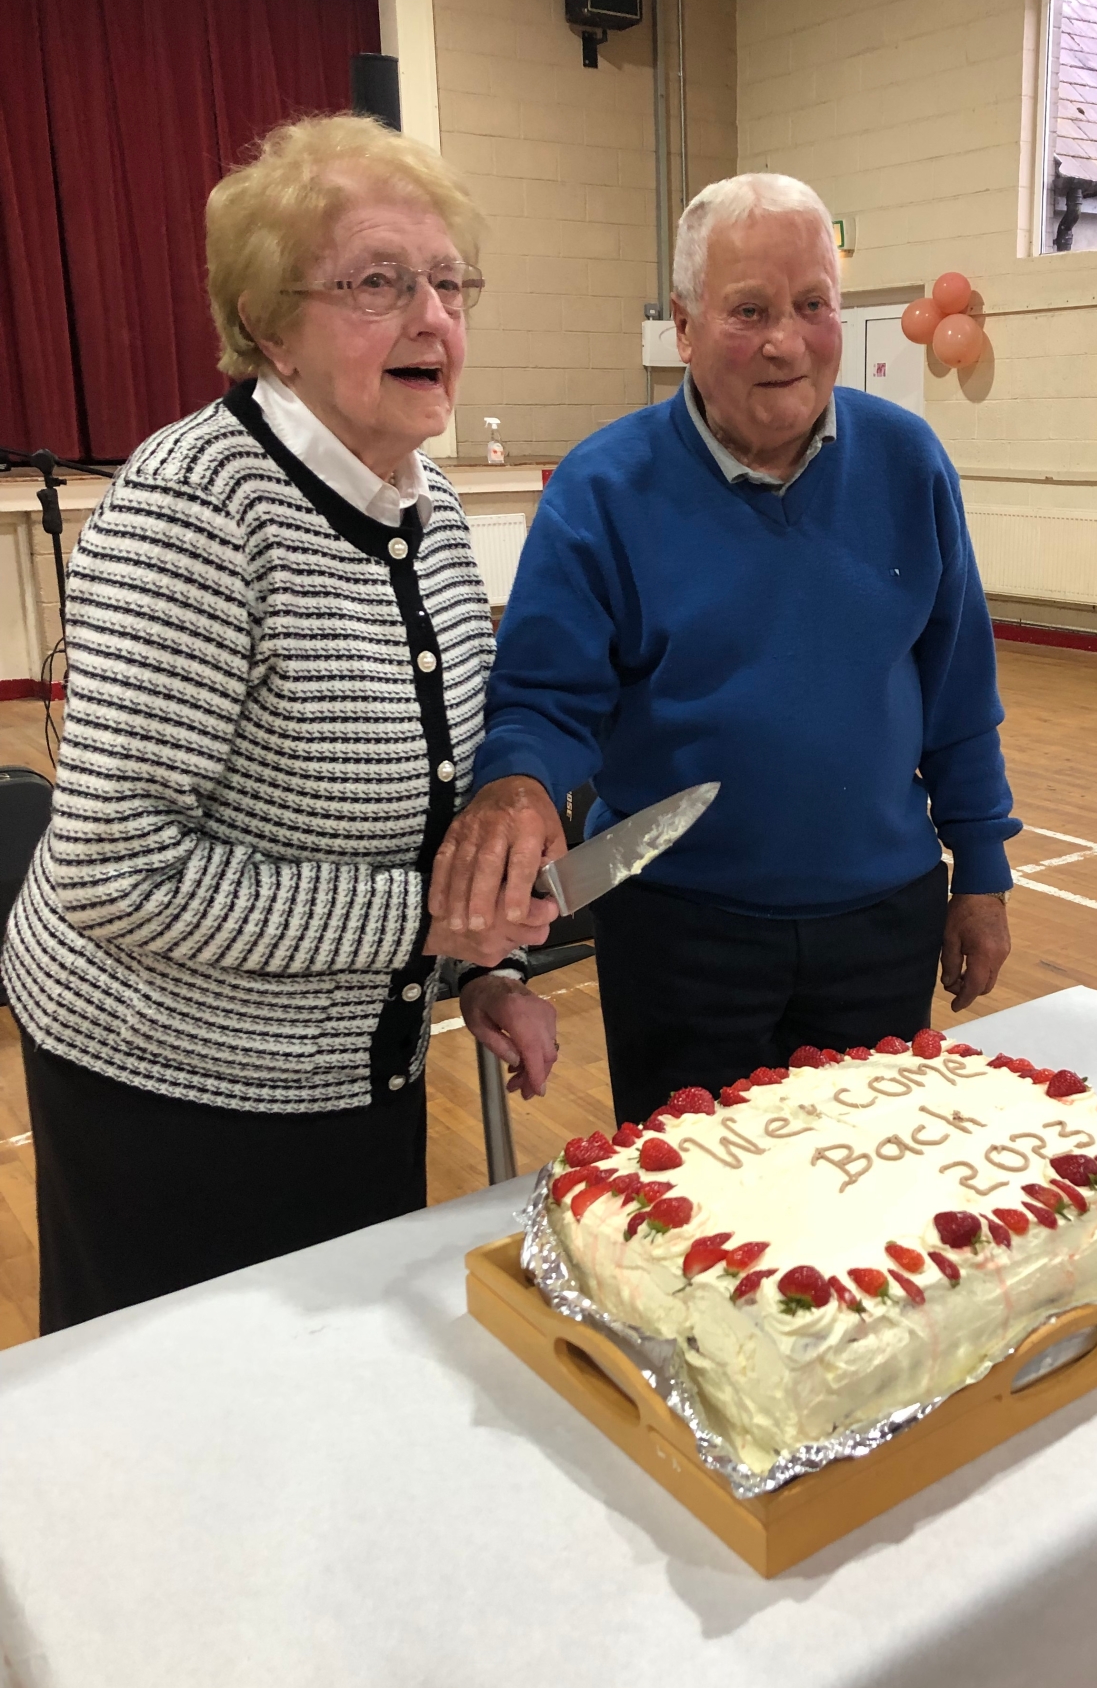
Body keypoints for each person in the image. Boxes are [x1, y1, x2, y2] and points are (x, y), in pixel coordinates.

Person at [2, 114, 557, 1332]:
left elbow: (440, 800)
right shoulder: (193, 511)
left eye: (448, 282)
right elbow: (117, 870)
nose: (432, 318)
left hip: (358, 1059)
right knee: (185, 1431)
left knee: (337, 1406)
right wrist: (430, 923)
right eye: (376, 282)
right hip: (170, 1086)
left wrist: (490, 965)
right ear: (268, 325)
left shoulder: (435, 508)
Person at [427, 171, 1019, 1126]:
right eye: (749, 310)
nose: (786, 341)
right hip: (679, 932)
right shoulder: (603, 488)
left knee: (867, 1194)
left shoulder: (910, 463)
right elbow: (547, 698)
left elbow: (958, 694)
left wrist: (983, 874)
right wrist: (522, 782)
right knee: (694, 1216)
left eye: (812, 305)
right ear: (685, 325)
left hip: (881, 921)